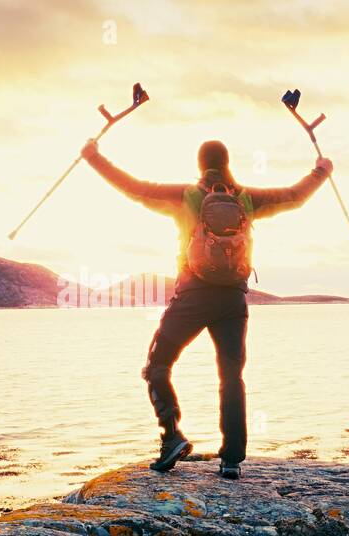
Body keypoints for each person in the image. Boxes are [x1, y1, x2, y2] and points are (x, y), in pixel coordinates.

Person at [80, 137, 333, 479]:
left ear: (200, 164)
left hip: (192, 297)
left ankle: (171, 435)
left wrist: (94, 158)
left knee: (157, 364)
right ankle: (231, 460)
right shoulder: (245, 198)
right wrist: (320, 172)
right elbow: (294, 196)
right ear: (228, 162)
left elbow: (133, 188)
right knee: (231, 376)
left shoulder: (185, 195)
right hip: (232, 300)